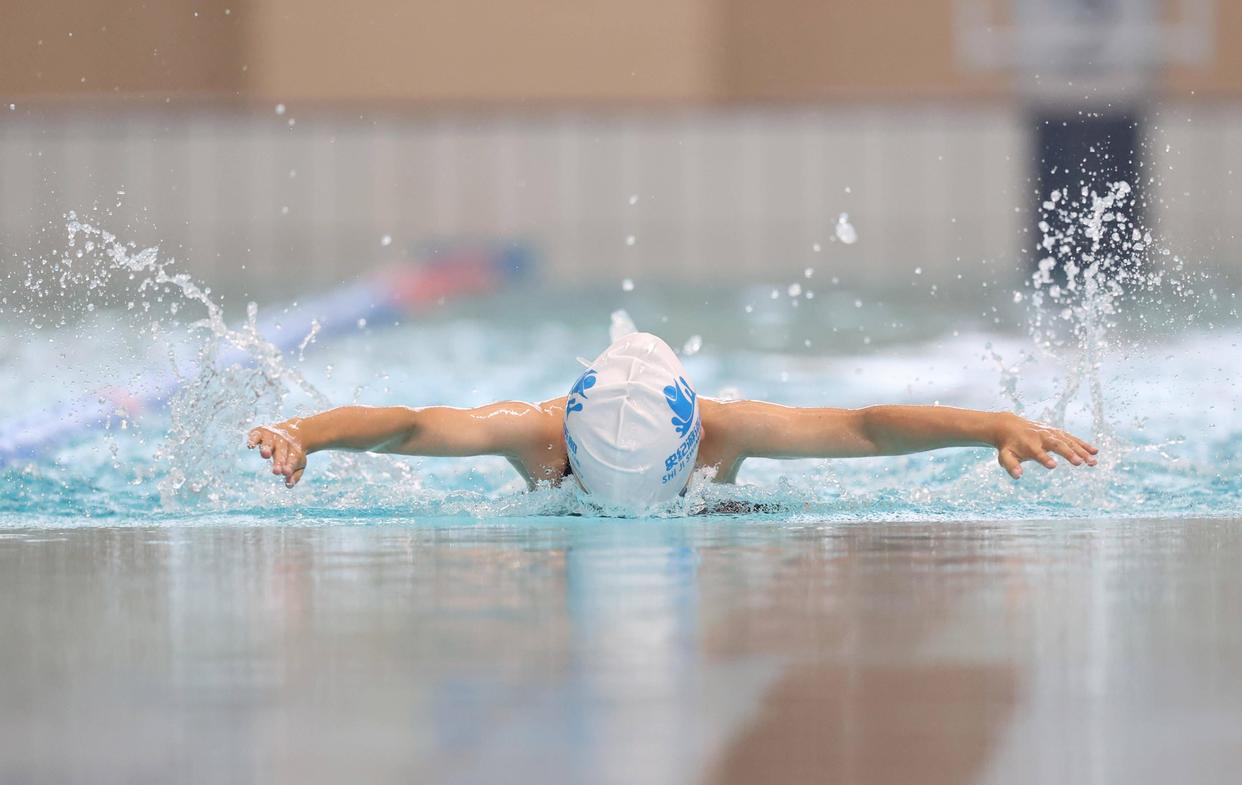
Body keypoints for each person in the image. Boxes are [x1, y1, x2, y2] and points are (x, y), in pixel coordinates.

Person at [247, 332, 1098, 514]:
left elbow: (867, 427)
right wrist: (304, 431)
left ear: (690, 447)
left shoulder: (727, 429)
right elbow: (408, 425)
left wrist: (994, 425)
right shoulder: (533, 430)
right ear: (570, 444)